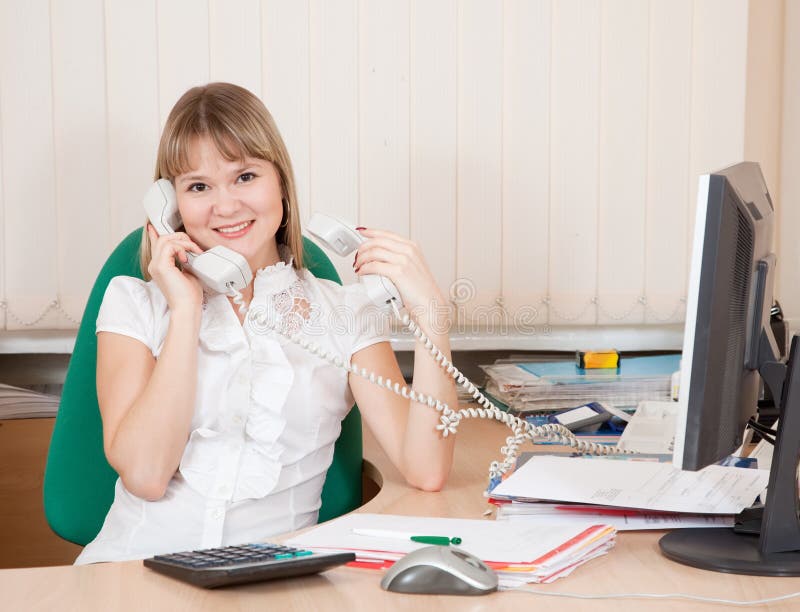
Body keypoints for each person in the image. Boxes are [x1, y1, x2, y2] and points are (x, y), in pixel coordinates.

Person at [75, 82, 457, 564]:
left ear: (280, 182)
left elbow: (426, 470)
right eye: (198, 186)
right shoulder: (134, 304)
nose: (226, 205)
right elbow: (147, 475)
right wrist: (188, 310)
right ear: (169, 206)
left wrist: (430, 313)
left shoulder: (344, 314)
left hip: (271, 582)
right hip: (132, 573)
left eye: (245, 176)